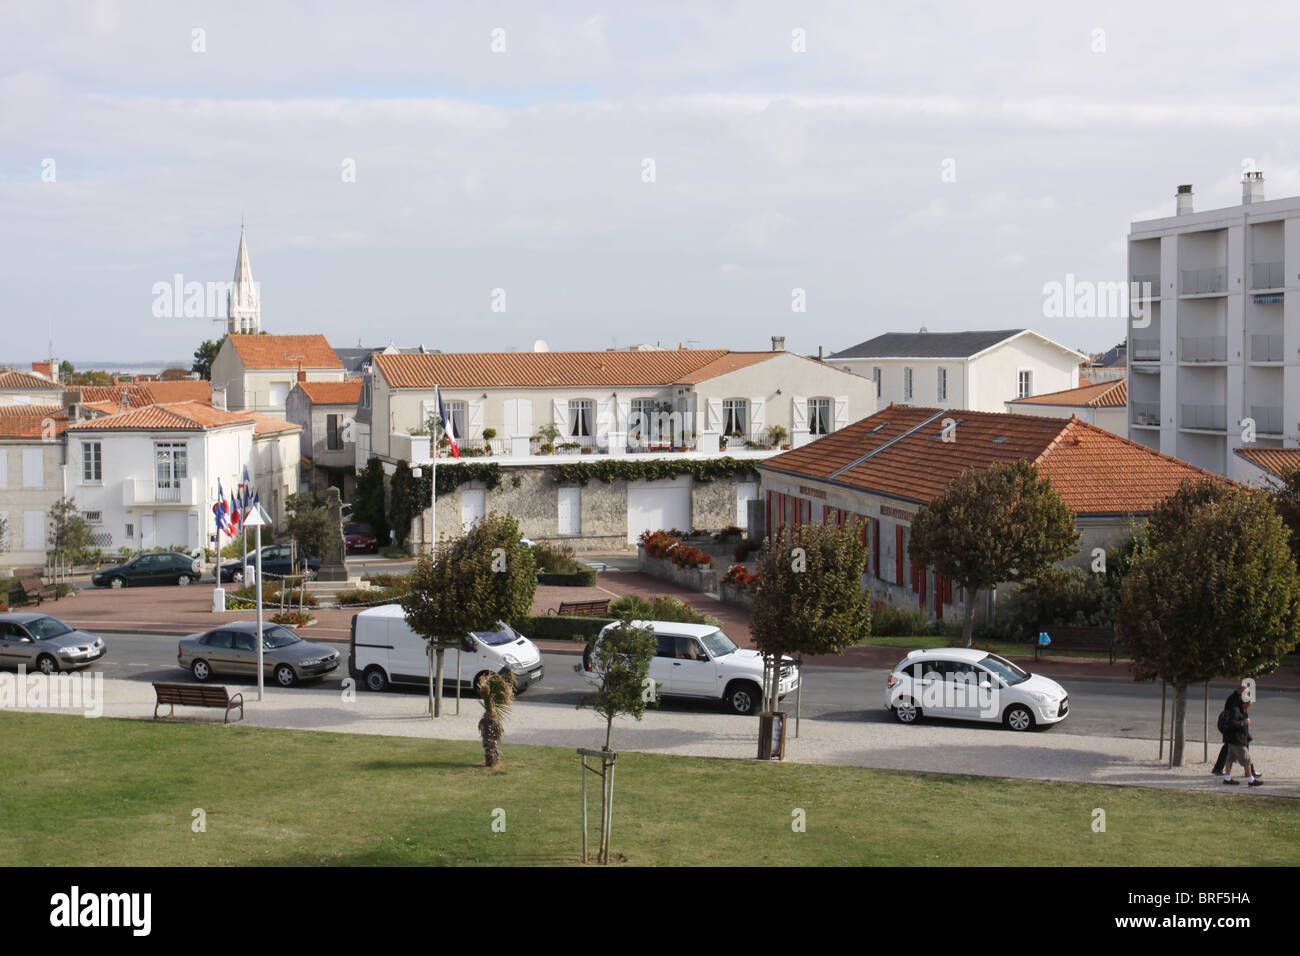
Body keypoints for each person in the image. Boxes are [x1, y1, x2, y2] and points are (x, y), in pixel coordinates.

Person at [1211, 682, 1262, 780]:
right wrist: (1244, 721)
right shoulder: (1236, 701)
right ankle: (1250, 775)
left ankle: (1222, 772)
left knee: (1229, 751)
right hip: (1236, 731)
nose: (1247, 694)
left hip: (1234, 731)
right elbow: (1236, 717)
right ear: (1241, 691)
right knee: (1244, 752)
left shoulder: (1234, 698)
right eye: (1246, 692)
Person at [1221, 693, 1261, 787]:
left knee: (1230, 758)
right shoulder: (1236, 711)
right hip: (1236, 739)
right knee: (1246, 759)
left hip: (1236, 739)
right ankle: (1251, 780)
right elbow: (1232, 724)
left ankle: (1227, 778)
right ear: (1245, 703)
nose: (1252, 703)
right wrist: (1244, 722)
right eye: (1250, 702)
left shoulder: (1243, 710)